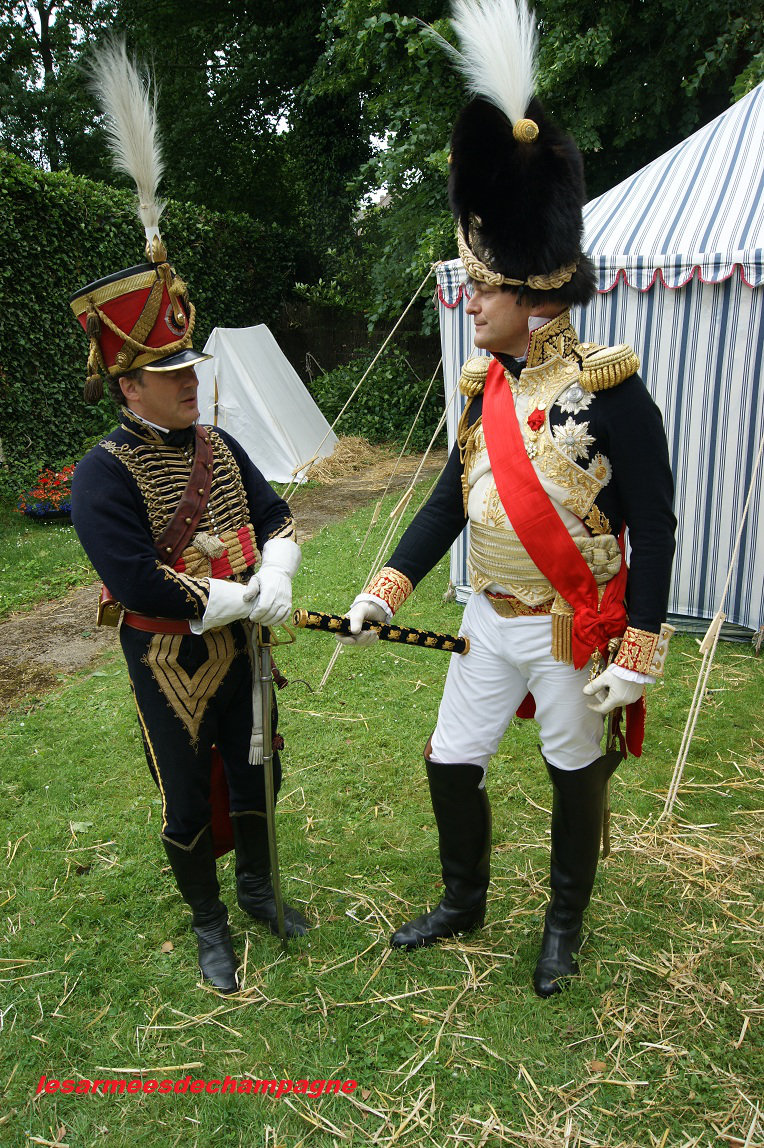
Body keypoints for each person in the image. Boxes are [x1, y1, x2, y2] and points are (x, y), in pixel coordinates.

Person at [341, 0, 676, 997]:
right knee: (452, 760)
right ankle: (463, 901)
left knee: (573, 770)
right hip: (486, 619)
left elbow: (655, 525)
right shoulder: (480, 389)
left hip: (571, 625)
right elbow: (450, 502)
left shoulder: (613, 391)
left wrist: (639, 648)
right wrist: (388, 585)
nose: (469, 300)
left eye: (482, 287)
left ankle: (562, 926)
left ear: (532, 298)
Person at [68, 42, 307, 995]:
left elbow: (277, 513)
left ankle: (256, 890)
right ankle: (209, 923)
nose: (188, 382)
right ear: (129, 384)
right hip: (170, 657)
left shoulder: (219, 443)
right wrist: (235, 597)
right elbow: (136, 582)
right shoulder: (100, 475)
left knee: (259, 772)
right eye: (169, 373)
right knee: (184, 790)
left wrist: (278, 569)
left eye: (188, 368)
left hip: (245, 644)